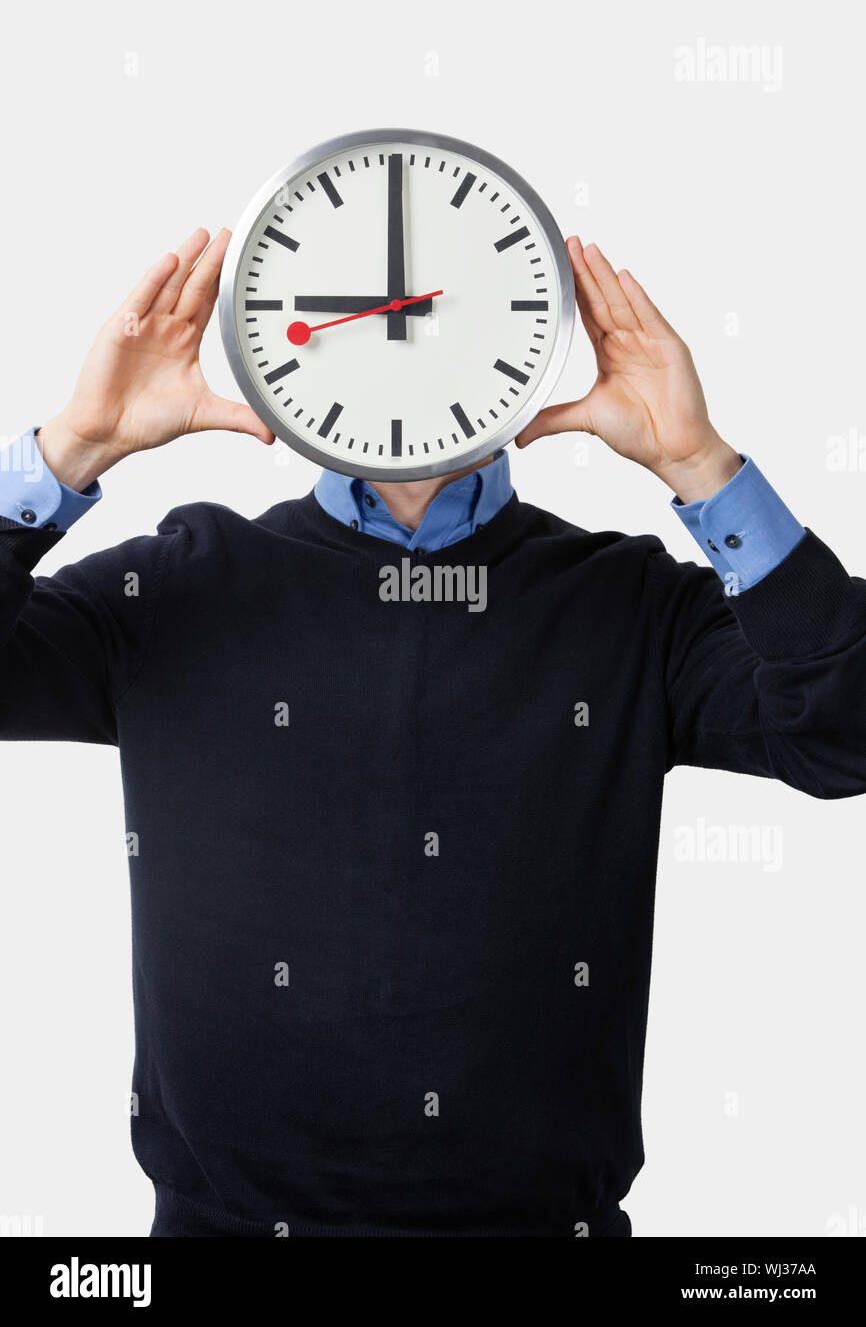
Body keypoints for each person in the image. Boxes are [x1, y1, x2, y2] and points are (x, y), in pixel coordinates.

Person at [2, 228, 863, 1238]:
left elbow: (840, 734)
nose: (399, 341)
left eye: (439, 312)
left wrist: (704, 468)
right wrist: (72, 449)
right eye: (363, 315)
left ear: (529, 344)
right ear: (285, 353)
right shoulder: (177, 584)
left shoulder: (630, 605)